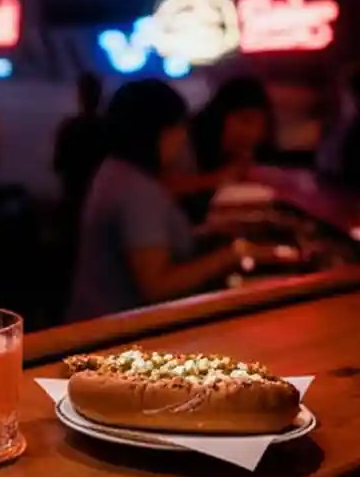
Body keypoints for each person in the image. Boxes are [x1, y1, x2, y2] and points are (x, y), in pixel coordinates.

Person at [67, 79, 260, 321]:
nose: (182, 139)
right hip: (116, 334)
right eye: (177, 128)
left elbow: (150, 240)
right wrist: (231, 255)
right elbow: (157, 286)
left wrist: (207, 232)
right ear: (152, 132)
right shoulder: (136, 190)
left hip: (95, 321)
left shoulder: (116, 169)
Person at [173, 75, 275, 220]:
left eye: (260, 126)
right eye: (245, 121)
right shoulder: (184, 142)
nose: (252, 133)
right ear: (220, 115)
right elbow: (163, 186)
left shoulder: (236, 154)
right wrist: (219, 178)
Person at [52, 73, 108, 233]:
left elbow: (58, 165)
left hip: (73, 199)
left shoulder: (69, 128)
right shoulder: (109, 129)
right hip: (101, 201)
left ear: (80, 96)